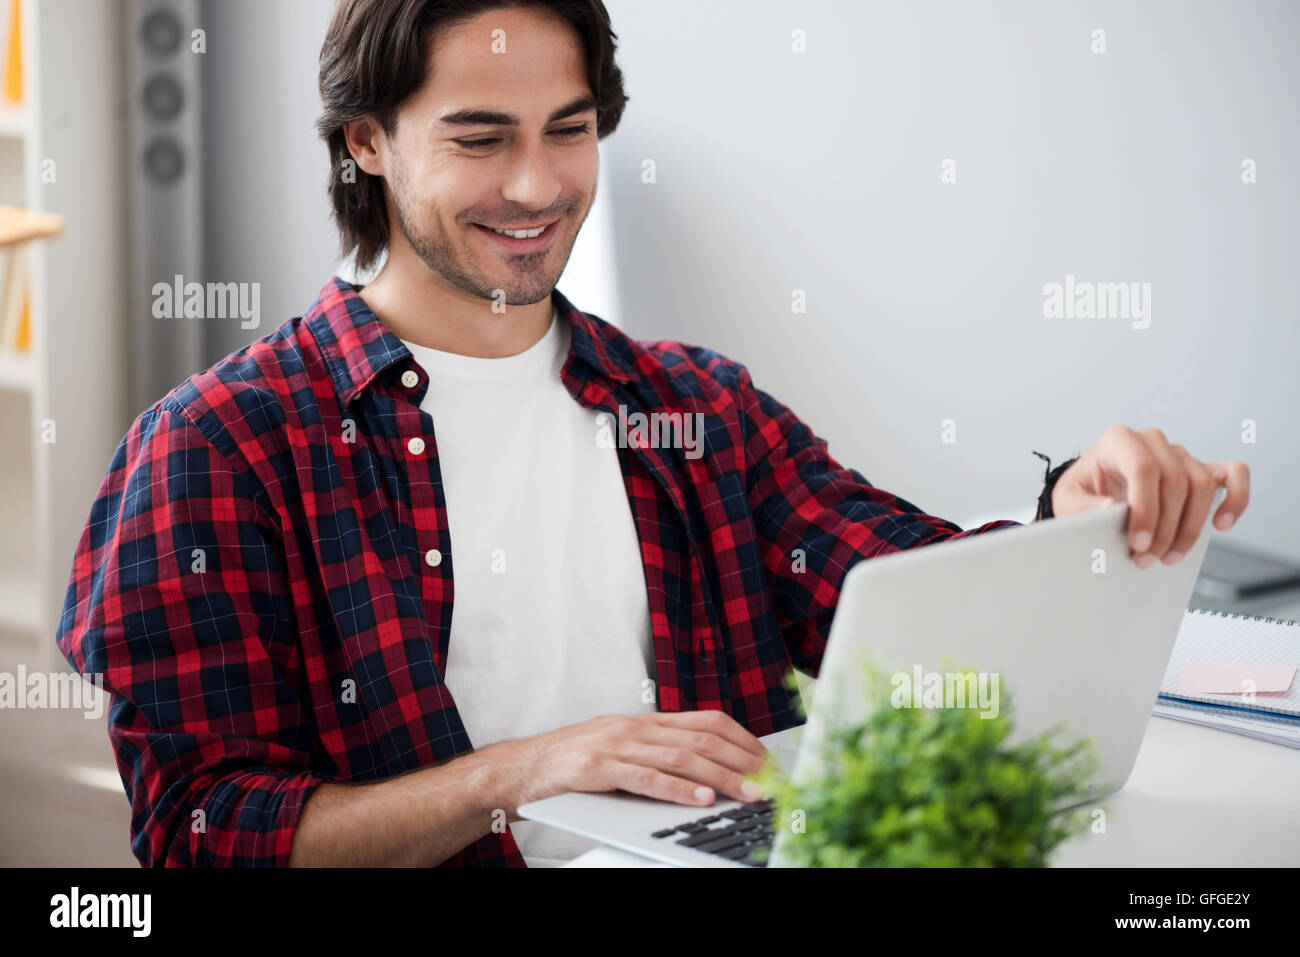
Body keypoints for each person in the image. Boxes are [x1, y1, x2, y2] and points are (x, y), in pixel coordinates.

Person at [56, 0, 1249, 868]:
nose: (537, 187)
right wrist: (519, 775)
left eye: (567, 130)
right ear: (366, 142)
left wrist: (1072, 515)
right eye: (480, 138)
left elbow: (908, 605)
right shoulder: (219, 449)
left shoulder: (694, 409)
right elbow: (202, 833)